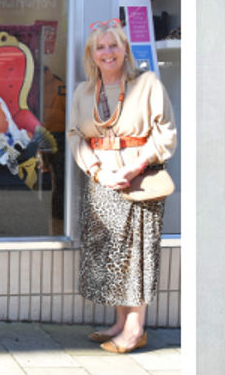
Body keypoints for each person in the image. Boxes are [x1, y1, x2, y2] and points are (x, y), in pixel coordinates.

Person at [68, 23, 176, 353]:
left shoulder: (147, 84)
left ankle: (134, 328)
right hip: (103, 182)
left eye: (113, 45)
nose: (108, 52)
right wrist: (97, 170)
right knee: (111, 254)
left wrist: (134, 165)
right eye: (100, 47)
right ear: (92, 55)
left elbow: (166, 133)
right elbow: (75, 135)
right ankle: (119, 321)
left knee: (136, 254)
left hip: (139, 180)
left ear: (125, 49)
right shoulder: (83, 92)